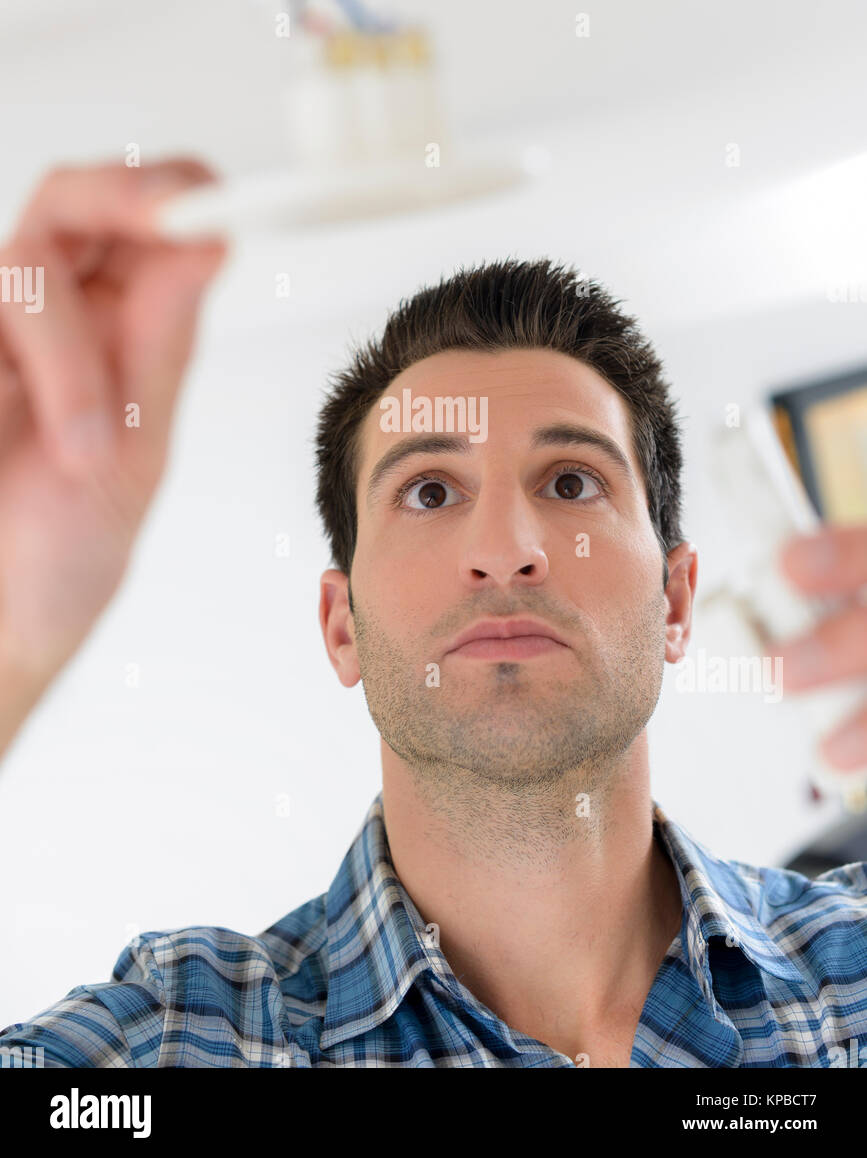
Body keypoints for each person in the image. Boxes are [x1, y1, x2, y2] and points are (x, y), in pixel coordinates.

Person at [0, 159, 866, 1069]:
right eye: (428, 491)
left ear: (676, 601)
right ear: (342, 626)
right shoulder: (178, 1044)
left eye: (571, 481)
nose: (504, 547)